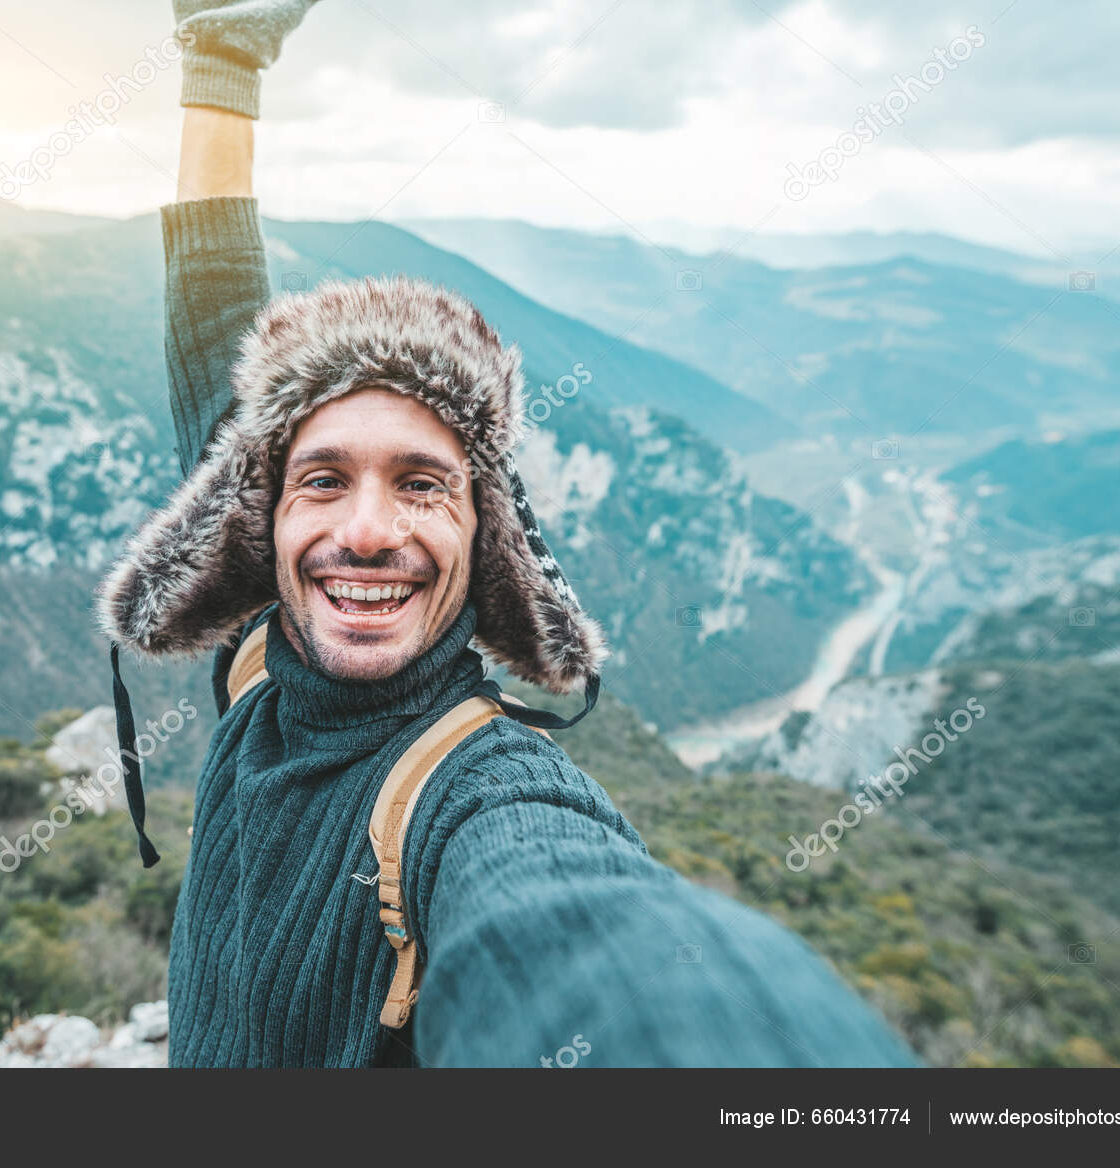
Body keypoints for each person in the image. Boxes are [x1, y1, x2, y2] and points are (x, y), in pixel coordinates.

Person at [98, 0, 918, 1069]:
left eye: (423, 483)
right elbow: (216, 326)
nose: (365, 529)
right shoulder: (265, 656)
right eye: (324, 479)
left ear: (483, 538)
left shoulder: (479, 796)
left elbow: (590, 944)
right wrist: (221, 55)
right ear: (265, 519)